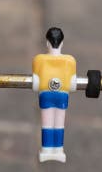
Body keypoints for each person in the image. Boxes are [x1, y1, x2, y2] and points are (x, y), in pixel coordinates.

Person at [32, 27, 77, 163]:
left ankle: (46, 149)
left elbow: (35, 82)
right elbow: (73, 84)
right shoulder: (70, 61)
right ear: (62, 43)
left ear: (47, 43)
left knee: (47, 124)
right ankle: (58, 150)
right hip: (62, 95)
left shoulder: (39, 60)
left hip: (46, 95)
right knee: (59, 124)